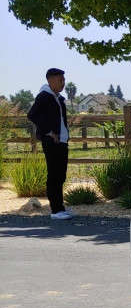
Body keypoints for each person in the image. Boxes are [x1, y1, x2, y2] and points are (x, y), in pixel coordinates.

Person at [26, 67, 73, 220]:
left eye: (64, 80)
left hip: (62, 141)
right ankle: (55, 211)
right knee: (54, 175)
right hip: (51, 141)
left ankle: (61, 208)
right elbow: (31, 115)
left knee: (60, 176)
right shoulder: (44, 96)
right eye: (60, 80)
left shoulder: (58, 98)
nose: (63, 83)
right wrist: (49, 132)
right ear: (51, 80)